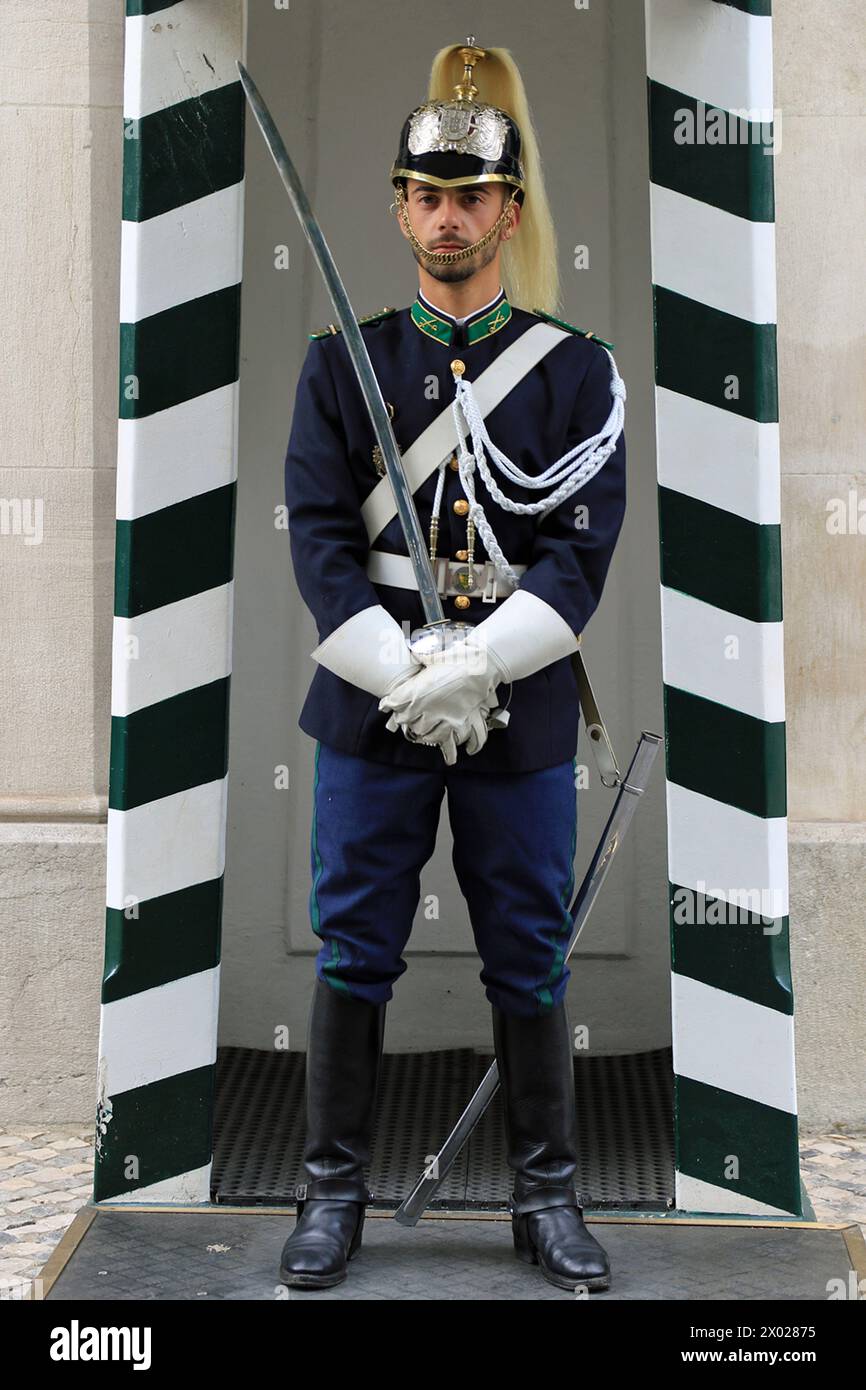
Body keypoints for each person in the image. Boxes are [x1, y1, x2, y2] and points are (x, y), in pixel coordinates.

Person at [279, 38, 626, 1294]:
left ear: (508, 209)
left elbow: (576, 564)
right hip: (374, 704)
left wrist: (473, 665)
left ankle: (547, 1200)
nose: (444, 218)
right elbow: (320, 556)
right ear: (396, 205)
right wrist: (406, 676)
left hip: (514, 705)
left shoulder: (574, 372)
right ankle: (329, 1199)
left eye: (469, 196)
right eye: (423, 194)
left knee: (528, 952)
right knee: (352, 948)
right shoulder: (342, 364)